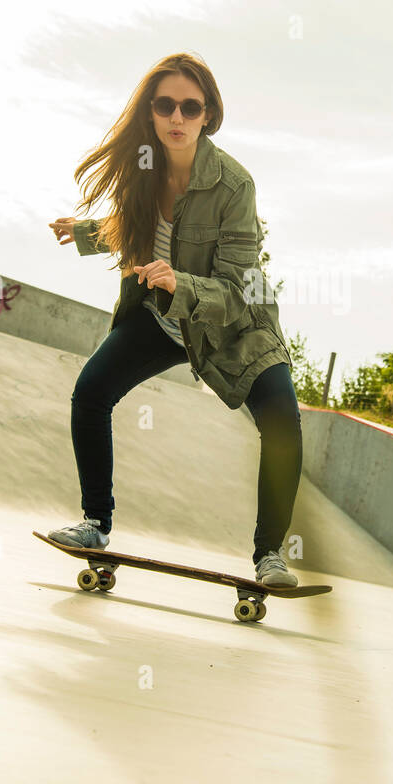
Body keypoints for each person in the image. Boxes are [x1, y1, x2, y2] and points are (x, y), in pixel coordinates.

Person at [47, 51, 301, 587]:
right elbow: (138, 224)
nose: (177, 118)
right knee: (91, 393)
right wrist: (89, 232)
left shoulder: (235, 185)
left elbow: (236, 288)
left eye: (191, 107)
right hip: (162, 318)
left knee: (281, 420)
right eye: (166, 106)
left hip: (237, 326)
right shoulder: (140, 166)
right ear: (151, 112)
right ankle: (95, 523)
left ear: (209, 114)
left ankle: (270, 555)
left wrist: (180, 283)